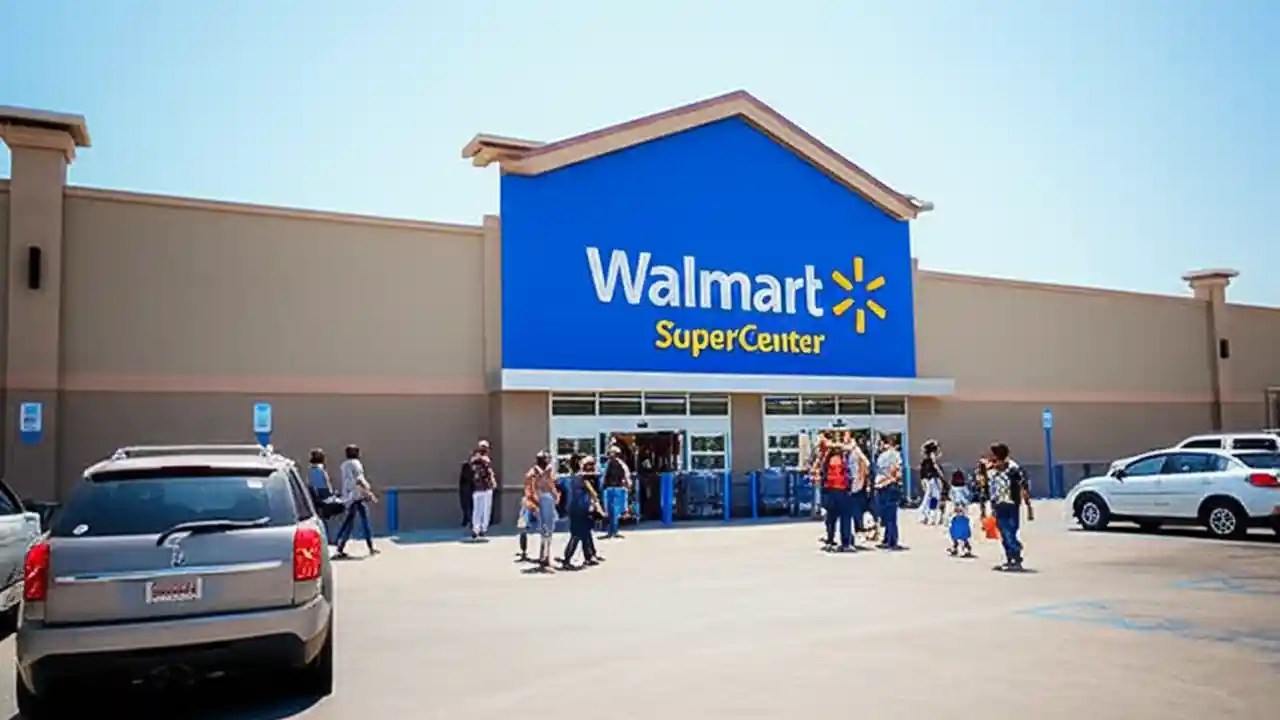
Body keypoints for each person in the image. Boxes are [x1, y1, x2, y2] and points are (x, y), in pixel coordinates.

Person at [987, 442, 1034, 570]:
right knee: (1004, 533)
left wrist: (1029, 506)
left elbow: (1024, 486)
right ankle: (1010, 558)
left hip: (1012, 505)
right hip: (999, 505)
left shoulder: (1014, 469)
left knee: (1010, 532)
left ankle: (1016, 556)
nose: (991, 458)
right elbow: (991, 488)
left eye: (994, 456)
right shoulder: (992, 470)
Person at [334, 444, 379, 558]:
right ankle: (370, 547)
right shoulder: (356, 463)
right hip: (357, 496)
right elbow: (359, 479)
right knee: (364, 521)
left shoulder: (344, 465)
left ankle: (339, 545)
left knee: (349, 522)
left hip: (349, 496)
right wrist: (368, 491)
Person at [561, 457, 604, 569]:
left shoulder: (572, 478)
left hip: (574, 509)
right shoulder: (583, 479)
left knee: (585, 533)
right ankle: (567, 560)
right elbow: (593, 494)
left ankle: (589, 556)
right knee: (576, 535)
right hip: (581, 510)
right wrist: (599, 510)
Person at [525, 450, 559, 570]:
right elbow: (550, 485)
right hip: (546, 499)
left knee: (543, 529)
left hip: (538, 500)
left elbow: (528, 484)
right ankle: (546, 557)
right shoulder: (546, 471)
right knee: (548, 529)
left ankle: (543, 556)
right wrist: (556, 495)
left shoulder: (533, 472)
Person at [873, 436, 904, 550]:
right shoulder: (889, 455)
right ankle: (888, 538)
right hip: (886, 485)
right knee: (887, 514)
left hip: (887, 486)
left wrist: (890, 479)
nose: (879, 445)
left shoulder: (892, 454)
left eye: (881, 443)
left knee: (889, 514)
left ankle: (892, 540)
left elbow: (897, 470)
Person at [602, 445, 632, 539]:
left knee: (614, 511)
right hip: (611, 489)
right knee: (610, 511)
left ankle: (613, 531)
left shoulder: (619, 464)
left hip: (616, 489)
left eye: (611, 453)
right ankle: (612, 531)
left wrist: (628, 485)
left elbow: (626, 475)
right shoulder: (609, 464)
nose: (610, 455)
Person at [469, 440, 496, 540]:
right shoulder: (484, 460)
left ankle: (477, 529)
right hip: (485, 488)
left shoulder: (474, 459)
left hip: (478, 488)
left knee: (478, 510)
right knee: (485, 509)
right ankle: (482, 529)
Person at [947, 469, 973, 557]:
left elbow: (951, 498)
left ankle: (958, 546)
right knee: (962, 531)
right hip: (963, 511)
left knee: (955, 530)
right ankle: (962, 546)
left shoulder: (953, 489)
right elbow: (969, 497)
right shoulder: (965, 488)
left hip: (957, 511)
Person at [918, 440, 944, 525]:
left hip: (929, 479)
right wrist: (941, 474)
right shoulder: (932, 457)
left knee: (929, 497)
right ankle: (928, 514)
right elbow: (935, 465)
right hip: (933, 479)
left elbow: (922, 471)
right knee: (934, 497)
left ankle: (926, 515)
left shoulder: (925, 459)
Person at [458, 448, 476, 528]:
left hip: (473, 489)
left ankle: (471, 521)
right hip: (466, 489)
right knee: (466, 505)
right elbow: (466, 477)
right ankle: (467, 519)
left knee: (472, 506)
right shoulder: (466, 466)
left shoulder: (477, 467)